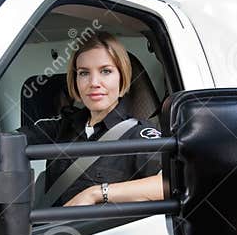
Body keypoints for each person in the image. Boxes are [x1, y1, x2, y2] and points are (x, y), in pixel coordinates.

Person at [21, 32, 164, 207]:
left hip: (97, 234)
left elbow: (170, 183)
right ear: (75, 80)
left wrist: (96, 193)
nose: (94, 82)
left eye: (106, 71)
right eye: (84, 73)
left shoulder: (138, 135)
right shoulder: (62, 125)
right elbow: (4, 142)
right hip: (46, 231)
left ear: (122, 77)